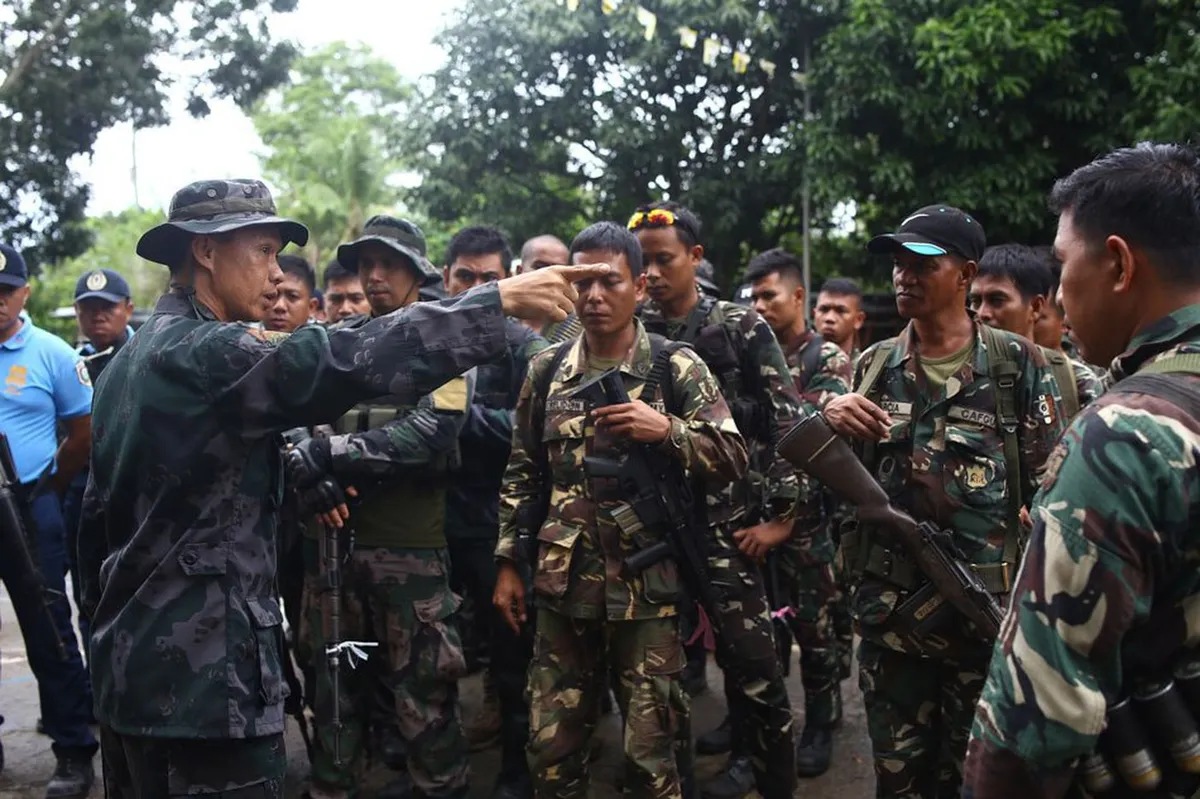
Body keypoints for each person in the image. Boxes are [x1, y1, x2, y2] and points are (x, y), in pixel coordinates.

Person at [75, 179, 608, 798]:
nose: (277, 274)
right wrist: (493, 303)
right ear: (206, 252)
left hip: (132, 675)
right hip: (203, 687)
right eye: (264, 251)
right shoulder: (203, 352)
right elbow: (335, 357)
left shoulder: (127, 363)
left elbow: (94, 534)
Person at [962, 143, 1200, 798]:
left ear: (1119, 264)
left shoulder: (1123, 435)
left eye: (1063, 266)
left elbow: (1034, 717)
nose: (1057, 296)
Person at [493, 221, 748, 799]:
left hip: (648, 594)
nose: (594, 296)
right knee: (552, 753)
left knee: (651, 758)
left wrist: (667, 430)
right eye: (582, 282)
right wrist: (508, 562)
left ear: (639, 286)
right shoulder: (546, 370)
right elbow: (522, 471)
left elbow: (733, 457)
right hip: (562, 591)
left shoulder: (675, 367)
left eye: (610, 281)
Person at [821, 204, 1066, 798]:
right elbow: (840, 482)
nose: (904, 276)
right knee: (898, 778)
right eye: (898, 264)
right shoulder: (874, 364)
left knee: (974, 778)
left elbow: (1053, 488)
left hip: (979, 616)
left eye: (923, 264)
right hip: (891, 618)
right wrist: (830, 419)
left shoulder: (1016, 364)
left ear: (966, 274)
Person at [632, 200, 800, 799]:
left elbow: (787, 420)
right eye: (643, 263)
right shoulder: (633, 328)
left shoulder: (739, 326)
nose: (652, 274)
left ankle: (768, 773)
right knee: (662, 669)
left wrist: (783, 516)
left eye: (664, 260)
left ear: (695, 257)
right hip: (657, 526)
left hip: (730, 522)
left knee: (754, 665)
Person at [436, 225, 548, 799]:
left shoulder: (523, 346)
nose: (477, 287)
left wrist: (454, 419)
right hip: (430, 522)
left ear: (509, 280)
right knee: (430, 654)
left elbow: (534, 430)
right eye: (465, 276)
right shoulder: (423, 338)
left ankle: (515, 769)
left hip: (497, 525)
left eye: (490, 278)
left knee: (510, 655)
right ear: (446, 276)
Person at [743, 247, 851, 777]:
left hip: (807, 523)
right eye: (754, 297)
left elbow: (817, 440)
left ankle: (821, 722)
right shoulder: (747, 357)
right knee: (757, 630)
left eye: (770, 295)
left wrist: (786, 519)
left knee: (815, 629)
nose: (760, 306)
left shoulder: (825, 359)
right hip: (753, 515)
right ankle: (752, 725)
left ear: (799, 296)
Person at [0, 242, 98, 798]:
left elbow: (83, 431)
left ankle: (73, 749)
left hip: (29, 503)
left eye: (5, 292)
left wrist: (50, 488)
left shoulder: (52, 353)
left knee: (49, 630)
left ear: (25, 293)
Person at [64, 267, 137, 661]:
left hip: (136, 490)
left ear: (128, 308)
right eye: (88, 308)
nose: (98, 316)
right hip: (82, 491)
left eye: (107, 307)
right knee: (89, 593)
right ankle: (98, 681)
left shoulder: (151, 355)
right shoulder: (70, 365)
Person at [970, 242, 1104, 420]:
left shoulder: (1076, 381)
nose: (982, 313)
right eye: (976, 301)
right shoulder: (955, 374)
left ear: (1035, 307)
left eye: (997, 300)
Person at [814, 278, 867, 360]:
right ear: (814, 314)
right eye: (824, 309)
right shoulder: (797, 363)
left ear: (858, 320)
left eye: (840, 311)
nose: (830, 318)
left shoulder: (868, 367)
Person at [266, 254, 319, 333]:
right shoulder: (246, 338)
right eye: (272, 295)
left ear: (311, 307)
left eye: (292, 296)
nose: (279, 306)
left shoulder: (326, 340)